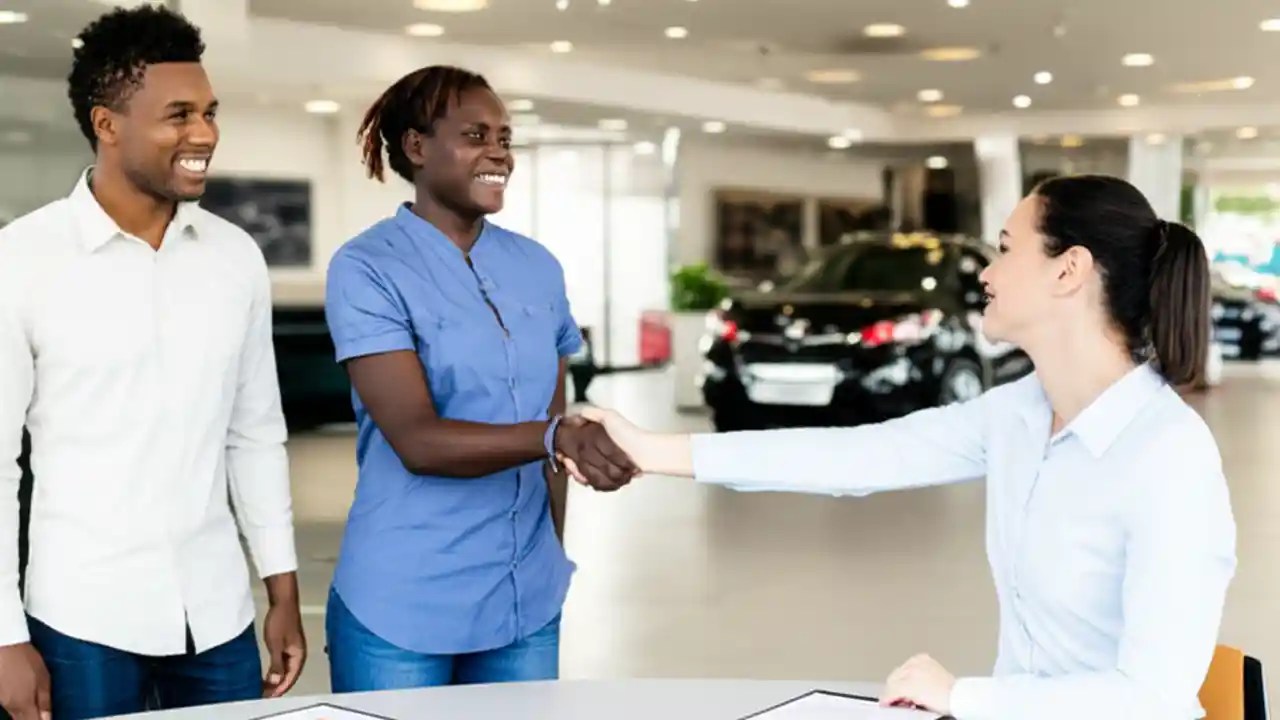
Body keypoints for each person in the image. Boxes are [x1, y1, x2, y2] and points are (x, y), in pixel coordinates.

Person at [571, 175, 1236, 720]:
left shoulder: (1168, 455)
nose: (987, 272)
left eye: (1005, 248)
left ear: (1069, 271)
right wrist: (652, 450)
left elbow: (1152, 695)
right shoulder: (1019, 414)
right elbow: (858, 456)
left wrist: (962, 696)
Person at [0, 6, 305, 719]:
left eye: (209, 112)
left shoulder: (235, 258)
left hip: (218, 615)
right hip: (82, 620)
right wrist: (4, 637)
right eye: (178, 114)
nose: (204, 134)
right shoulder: (20, 261)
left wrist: (281, 590)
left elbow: (254, 433)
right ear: (108, 125)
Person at [322, 65, 637, 692]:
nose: (498, 152)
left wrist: (550, 549)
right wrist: (556, 437)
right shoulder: (367, 268)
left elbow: (555, 437)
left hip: (526, 599)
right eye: (475, 134)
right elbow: (418, 440)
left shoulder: (536, 267)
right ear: (417, 148)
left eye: (505, 137)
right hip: (403, 604)